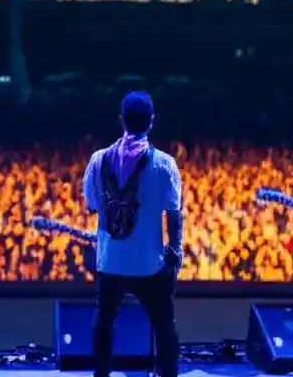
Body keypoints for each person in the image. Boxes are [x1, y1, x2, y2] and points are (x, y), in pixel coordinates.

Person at [83, 91, 182, 377]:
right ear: (151, 122)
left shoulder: (98, 161)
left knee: (104, 320)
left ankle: (101, 375)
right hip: (149, 263)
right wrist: (175, 250)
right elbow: (174, 213)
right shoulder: (164, 164)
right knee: (164, 324)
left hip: (110, 260)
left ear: (121, 120)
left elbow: (92, 205)